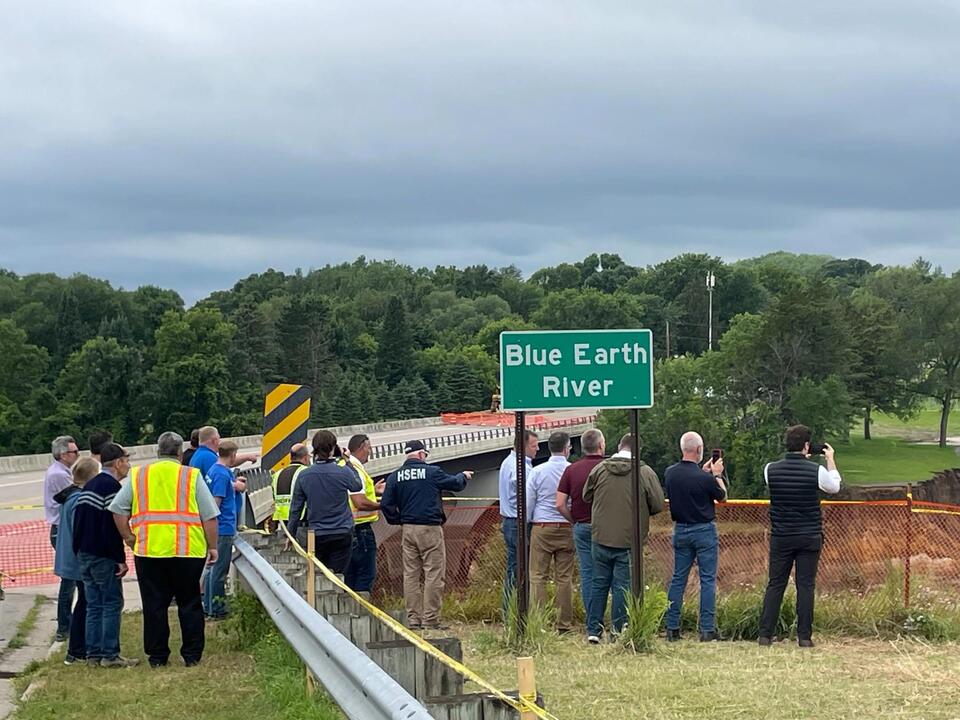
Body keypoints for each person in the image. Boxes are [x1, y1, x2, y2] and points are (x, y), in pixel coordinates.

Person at [110, 431, 220, 668]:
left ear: (157, 451)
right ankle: (192, 655)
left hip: (149, 551)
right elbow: (209, 516)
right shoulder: (191, 476)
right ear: (180, 453)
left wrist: (128, 537)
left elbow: (118, 509)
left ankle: (158, 656)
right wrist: (213, 546)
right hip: (187, 551)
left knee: (154, 605)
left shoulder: (140, 475)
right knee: (189, 604)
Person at [758, 425, 842, 648]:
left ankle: (765, 634)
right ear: (806, 446)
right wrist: (830, 460)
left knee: (775, 584)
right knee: (805, 586)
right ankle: (804, 637)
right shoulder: (816, 471)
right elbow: (834, 487)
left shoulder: (770, 470)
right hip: (808, 535)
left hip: (781, 536)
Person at [380, 440, 472, 630]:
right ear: (421, 454)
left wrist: (399, 520)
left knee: (411, 574)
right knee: (433, 574)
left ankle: (413, 618)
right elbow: (454, 484)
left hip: (408, 528)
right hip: (430, 528)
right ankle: (431, 619)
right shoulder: (432, 472)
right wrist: (463, 476)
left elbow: (386, 504)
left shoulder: (395, 476)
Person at [583, 433, 664, 644]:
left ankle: (593, 630)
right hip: (630, 540)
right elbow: (657, 504)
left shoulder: (600, 469)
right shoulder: (645, 473)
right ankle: (617, 631)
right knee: (622, 587)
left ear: (619, 445)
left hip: (600, 536)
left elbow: (586, 495)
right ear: (639, 450)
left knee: (599, 583)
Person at [74, 443, 138, 667]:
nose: (129, 466)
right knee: (111, 602)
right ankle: (110, 654)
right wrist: (119, 558)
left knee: (94, 604)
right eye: (127, 460)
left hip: (84, 553)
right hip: (103, 554)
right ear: (118, 462)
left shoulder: (90, 485)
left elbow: (79, 523)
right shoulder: (111, 487)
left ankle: (93, 654)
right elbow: (112, 525)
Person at [663, 432, 727, 642]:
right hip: (703, 530)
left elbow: (689, 480)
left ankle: (672, 627)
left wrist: (704, 473)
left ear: (682, 448)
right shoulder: (705, 479)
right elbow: (723, 497)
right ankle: (707, 629)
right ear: (699, 450)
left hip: (680, 529)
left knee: (678, 579)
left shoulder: (670, 473)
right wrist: (716, 475)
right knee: (707, 579)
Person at [286, 431, 363, 573]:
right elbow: (357, 485)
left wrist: (291, 535)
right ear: (333, 448)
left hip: (317, 534)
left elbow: (295, 509)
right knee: (338, 576)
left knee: (319, 575)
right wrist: (347, 462)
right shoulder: (343, 472)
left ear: (314, 449)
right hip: (342, 531)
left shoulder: (304, 476)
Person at [556, 428, 605, 632]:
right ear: (601, 446)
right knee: (608, 573)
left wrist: (574, 520)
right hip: (606, 527)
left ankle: (591, 620)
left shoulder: (572, 470)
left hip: (582, 526)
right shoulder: (606, 467)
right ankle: (609, 620)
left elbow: (559, 503)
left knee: (588, 574)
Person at [526, 431, 574, 632]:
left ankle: (539, 621)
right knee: (564, 577)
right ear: (566, 448)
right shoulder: (572, 470)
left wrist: (530, 522)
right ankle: (564, 623)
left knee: (538, 576)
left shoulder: (537, 472)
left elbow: (529, 501)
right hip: (566, 525)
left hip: (542, 526)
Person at [54, 457, 99, 665]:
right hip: (77, 561)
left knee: (84, 601)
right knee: (85, 603)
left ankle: (78, 648)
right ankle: (77, 649)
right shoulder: (79, 500)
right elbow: (80, 533)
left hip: (70, 559)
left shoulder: (69, 497)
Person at [201, 440, 244, 620]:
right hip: (222, 527)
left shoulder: (214, 470)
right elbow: (215, 503)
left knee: (212, 570)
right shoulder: (221, 474)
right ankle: (217, 608)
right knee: (219, 570)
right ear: (233, 455)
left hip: (218, 527)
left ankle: (209, 606)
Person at [498, 429, 538, 612]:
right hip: (518, 522)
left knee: (513, 566)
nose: (537, 449)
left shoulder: (507, 462)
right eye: (533, 445)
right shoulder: (521, 468)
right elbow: (529, 495)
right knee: (519, 569)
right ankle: (514, 610)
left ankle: (510, 608)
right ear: (523, 446)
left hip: (509, 520)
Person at [44, 435, 80, 642]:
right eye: (73, 452)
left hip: (61, 528)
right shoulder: (59, 475)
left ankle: (68, 623)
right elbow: (74, 492)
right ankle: (64, 626)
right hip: (62, 530)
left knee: (71, 580)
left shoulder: (62, 471)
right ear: (62, 454)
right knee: (69, 579)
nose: (77, 454)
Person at [344, 434, 385, 595]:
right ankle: (359, 612)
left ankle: (349, 611)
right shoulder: (355, 470)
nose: (370, 451)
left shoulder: (346, 466)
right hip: (360, 532)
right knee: (365, 575)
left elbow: (351, 495)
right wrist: (384, 506)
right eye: (369, 447)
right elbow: (359, 502)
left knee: (350, 576)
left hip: (348, 530)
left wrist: (373, 491)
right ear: (361, 447)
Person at [271, 443, 311, 533]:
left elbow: (274, 496)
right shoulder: (306, 472)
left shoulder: (277, 474)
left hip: (282, 519)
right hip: (301, 517)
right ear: (305, 458)